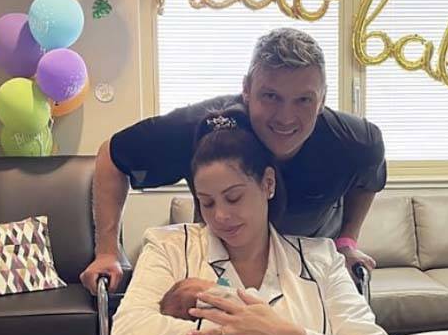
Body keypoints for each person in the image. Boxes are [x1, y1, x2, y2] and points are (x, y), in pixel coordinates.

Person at [110, 110, 398, 335]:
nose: (220, 216)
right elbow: (132, 334)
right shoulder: (170, 247)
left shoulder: (320, 259)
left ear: (268, 184)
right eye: (206, 202)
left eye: (234, 197)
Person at [80, 28, 387, 295]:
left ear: (322, 99)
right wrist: (108, 251)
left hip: (309, 272)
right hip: (221, 271)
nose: (285, 117)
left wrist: (347, 240)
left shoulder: (357, 142)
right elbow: (112, 155)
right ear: (246, 90)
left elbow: (367, 179)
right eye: (270, 96)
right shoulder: (204, 127)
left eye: (303, 100)